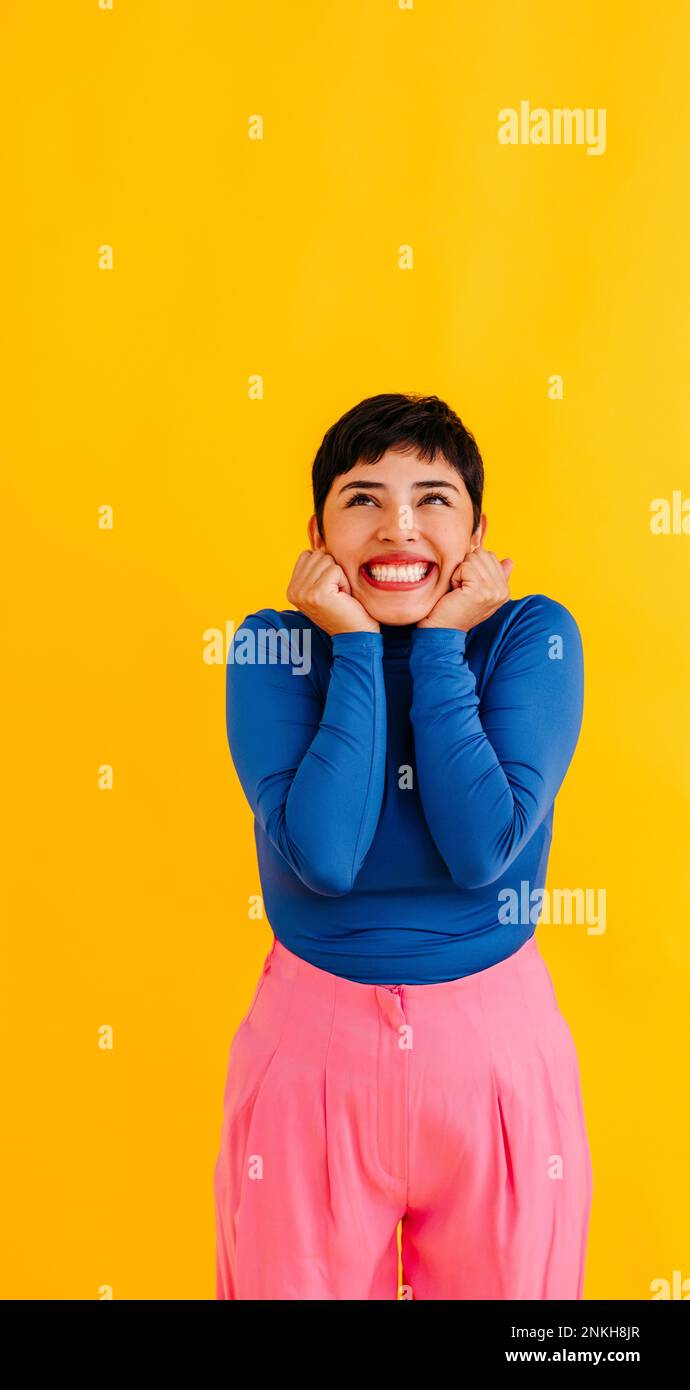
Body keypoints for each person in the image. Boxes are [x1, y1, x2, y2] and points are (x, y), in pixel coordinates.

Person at [213, 392, 593, 1300]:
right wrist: (351, 644)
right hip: (309, 1068)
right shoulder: (271, 649)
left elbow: (482, 848)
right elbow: (326, 859)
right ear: (316, 532)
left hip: (496, 1065)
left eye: (432, 499)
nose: (399, 527)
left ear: (477, 532)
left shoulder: (531, 638)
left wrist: (440, 644)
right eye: (362, 500)